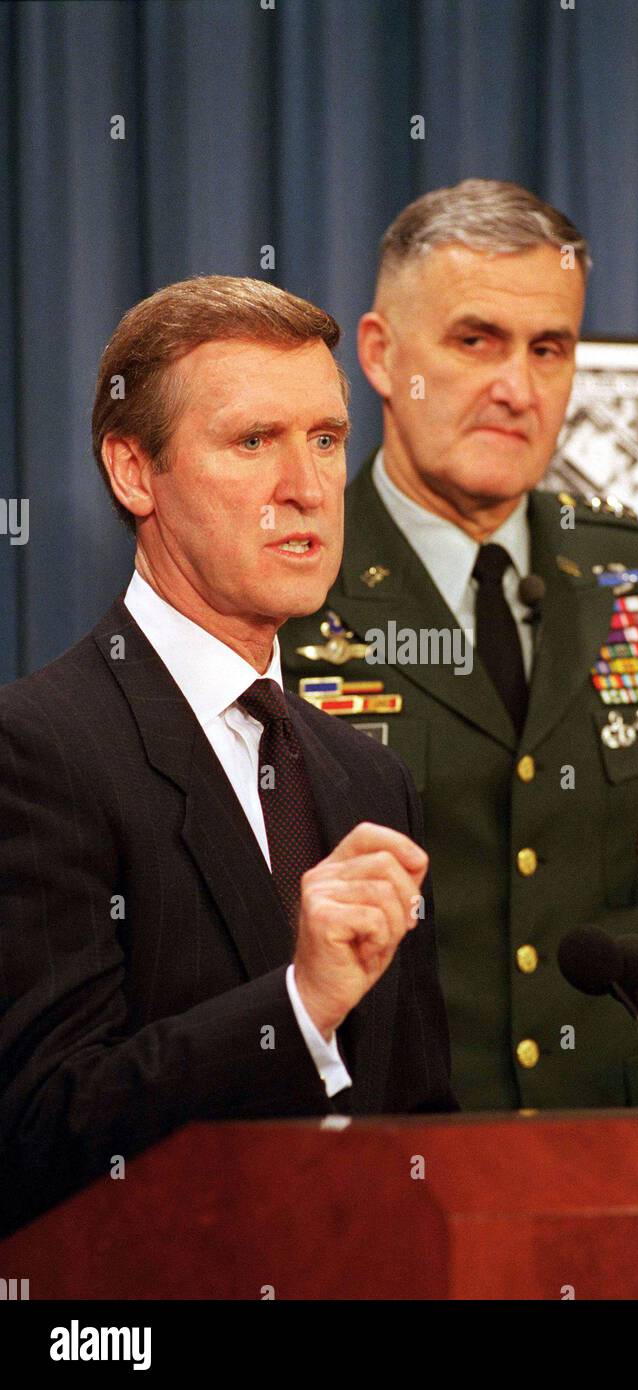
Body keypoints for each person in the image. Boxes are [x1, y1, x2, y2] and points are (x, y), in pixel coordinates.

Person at [0, 275, 454, 1237]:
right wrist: (296, 1008)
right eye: (254, 442)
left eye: (325, 440)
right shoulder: (37, 752)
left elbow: (418, 1130)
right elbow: (38, 1134)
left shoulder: (370, 779)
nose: (306, 486)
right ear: (134, 472)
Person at [281, 180, 638, 1111]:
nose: (516, 387)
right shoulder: (288, 586)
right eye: (475, 342)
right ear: (383, 357)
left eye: (547, 349)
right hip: (381, 1158)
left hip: (606, 1158)